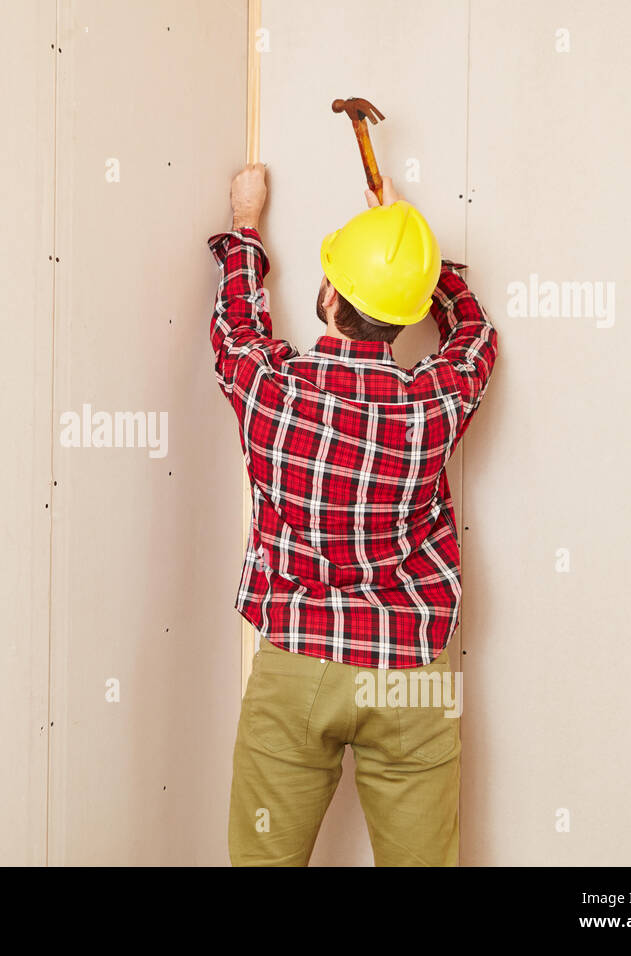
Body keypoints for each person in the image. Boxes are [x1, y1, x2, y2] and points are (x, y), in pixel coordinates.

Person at [208, 163, 498, 866]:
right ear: (403, 313)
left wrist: (247, 224)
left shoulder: (273, 394)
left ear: (329, 293)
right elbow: (474, 337)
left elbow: (236, 327)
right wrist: (417, 254)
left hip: (297, 660)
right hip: (408, 671)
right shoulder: (429, 406)